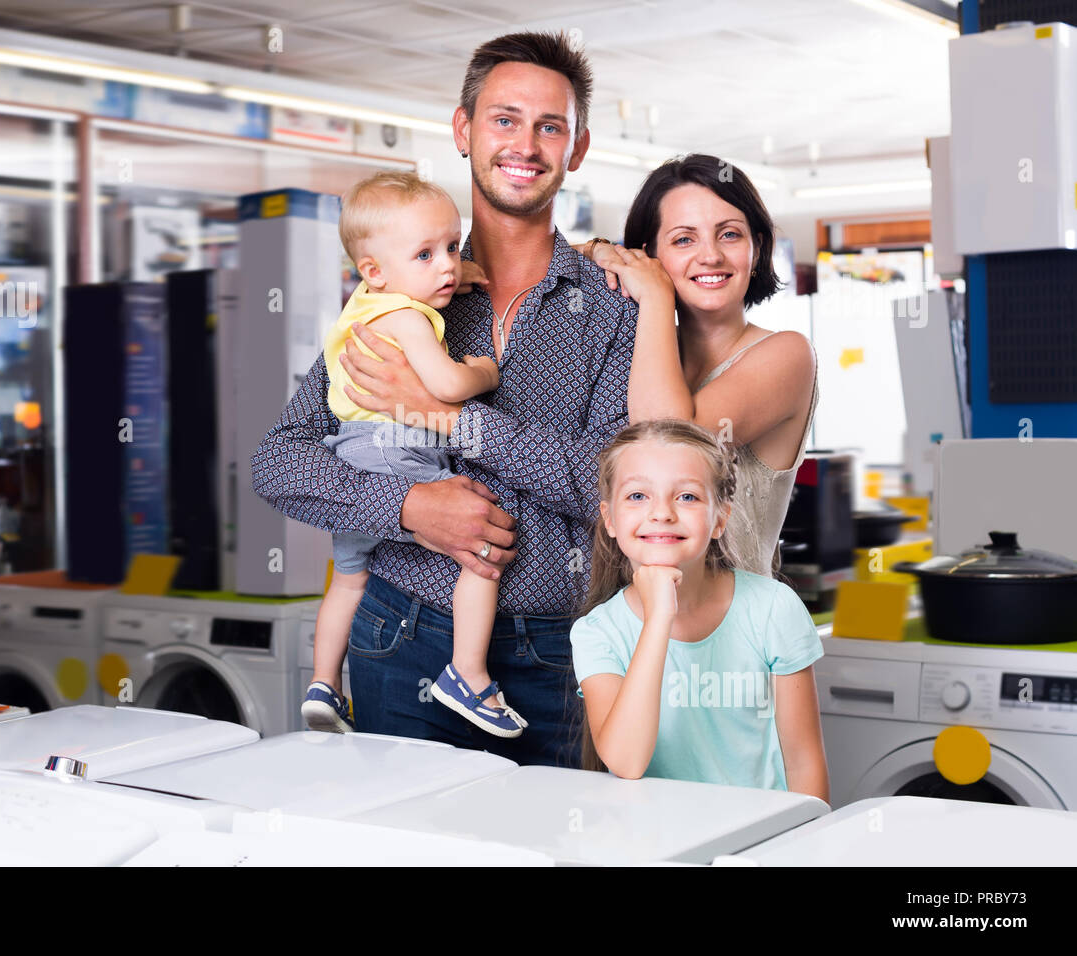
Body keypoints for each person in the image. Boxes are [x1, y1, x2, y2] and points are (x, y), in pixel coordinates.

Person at [252, 31, 634, 767]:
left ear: (576, 149)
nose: (525, 143)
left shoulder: (613, 304)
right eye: (504, 119)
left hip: (556, 651)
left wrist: (452, 422)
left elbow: (610, 487)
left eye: (549, 126)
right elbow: (279, 462)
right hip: (399, 632)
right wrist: (407, 509)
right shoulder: (396, 296)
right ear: (463, 130)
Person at [301, 169, 528, 739]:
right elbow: (446, 385)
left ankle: (324, 685)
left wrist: (449, 271)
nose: (448, 265)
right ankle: (469, 675)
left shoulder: (363, 303)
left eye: (453, 246)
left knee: (348, 580)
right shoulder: (409, 317)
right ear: (377, 271)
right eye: (426, 254)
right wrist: (483, 369)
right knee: (481, 552)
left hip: (351, 457)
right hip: (402, 452)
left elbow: (418, 270)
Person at [576, 154, 818, 576]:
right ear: (649, 255)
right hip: (639, 627)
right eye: (684, 239)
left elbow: (667, 443)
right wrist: (599, 251)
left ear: (757, 248)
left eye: (729, 235)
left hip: (733, 631)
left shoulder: (788, 355)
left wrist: (654, 296)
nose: (710, 256)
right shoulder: (638, 350)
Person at [570, 418, 829, 801]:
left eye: (687, 497)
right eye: (638, 496)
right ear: (610, 519)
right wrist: (659, 616)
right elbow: (626, 761)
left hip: (761, 846)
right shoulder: (597, 632)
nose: (662, 513)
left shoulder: (773, 609)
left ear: (720, 518)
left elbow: (803, 762)